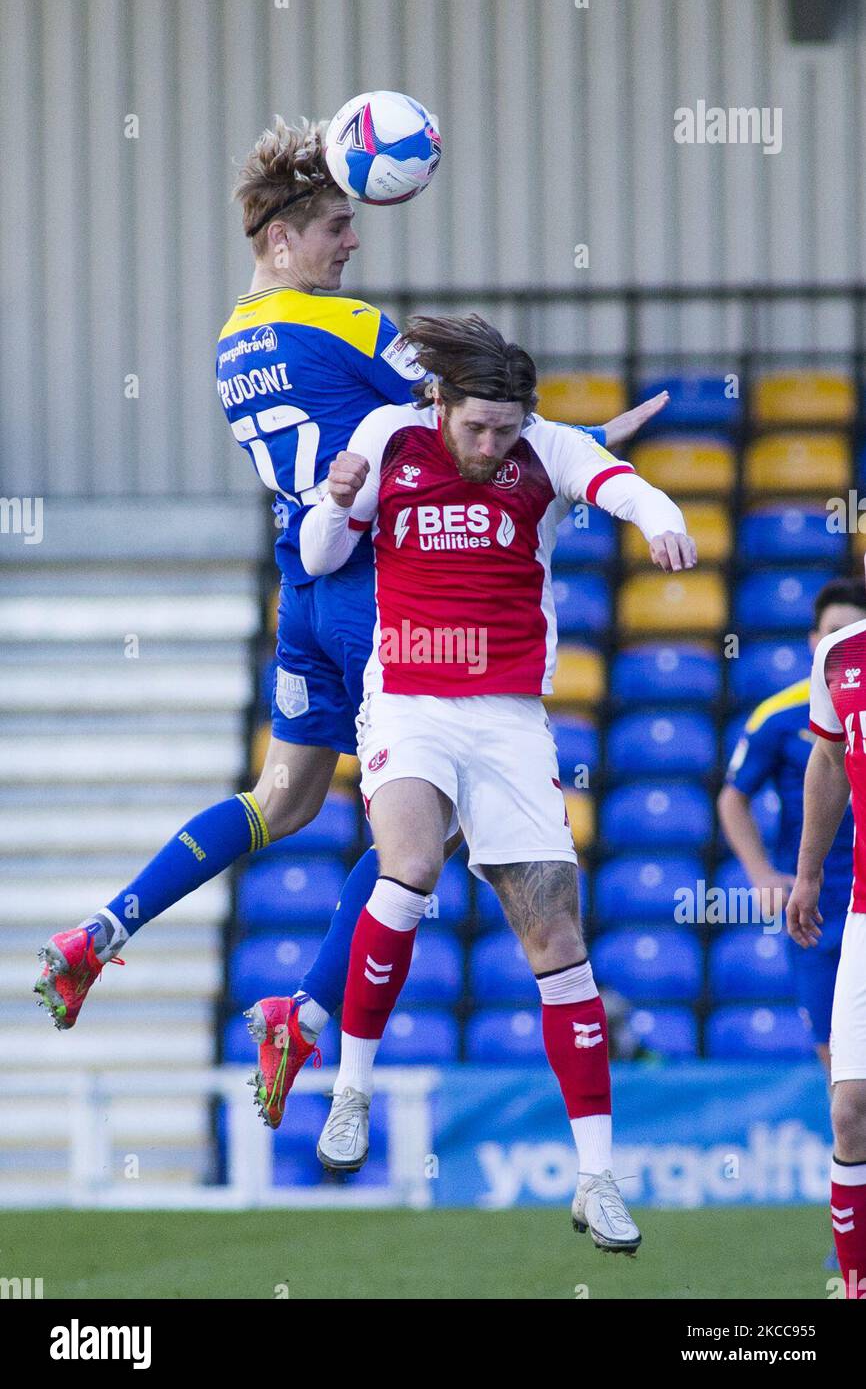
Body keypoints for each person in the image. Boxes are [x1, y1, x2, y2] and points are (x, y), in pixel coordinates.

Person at [33, 117, 667, 1131]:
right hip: (383, 586)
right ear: (279, 237)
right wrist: (587, 444)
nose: (351, 240)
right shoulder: (345, 325)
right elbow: (472, 412)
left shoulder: (232, 342)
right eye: (334, 224)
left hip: (303, 582)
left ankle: (101, 932)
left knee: (280, 799)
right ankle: (305, 1010)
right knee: (426, 814)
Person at [293, 312, 696, 1251]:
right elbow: (319, 561)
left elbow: (620, 485)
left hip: (510, 718)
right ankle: (351, 1091)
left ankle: (597, 1176)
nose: (489, 445)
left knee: (558, 938)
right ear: (440, 403)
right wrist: (333, 500)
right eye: (476, 427)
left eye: (505, 431)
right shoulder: (387, 438)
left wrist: (664, 519)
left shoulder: (541, 447)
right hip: (409, 698)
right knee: (411, 868)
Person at [718, 579, 866, 1071]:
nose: (842, 642)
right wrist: (762, 875)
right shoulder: (778, 715)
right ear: (814, 641)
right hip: (819, 905)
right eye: (832, 632)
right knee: (835, 1056)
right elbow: (732, 799)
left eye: (852, 631)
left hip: (861, 891)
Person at [787, 582, 866, 1297]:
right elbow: (828, 761)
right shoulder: (840, 656)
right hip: (864, 913)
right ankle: (855, 1284)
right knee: (848, 1105)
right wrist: (807, 873)